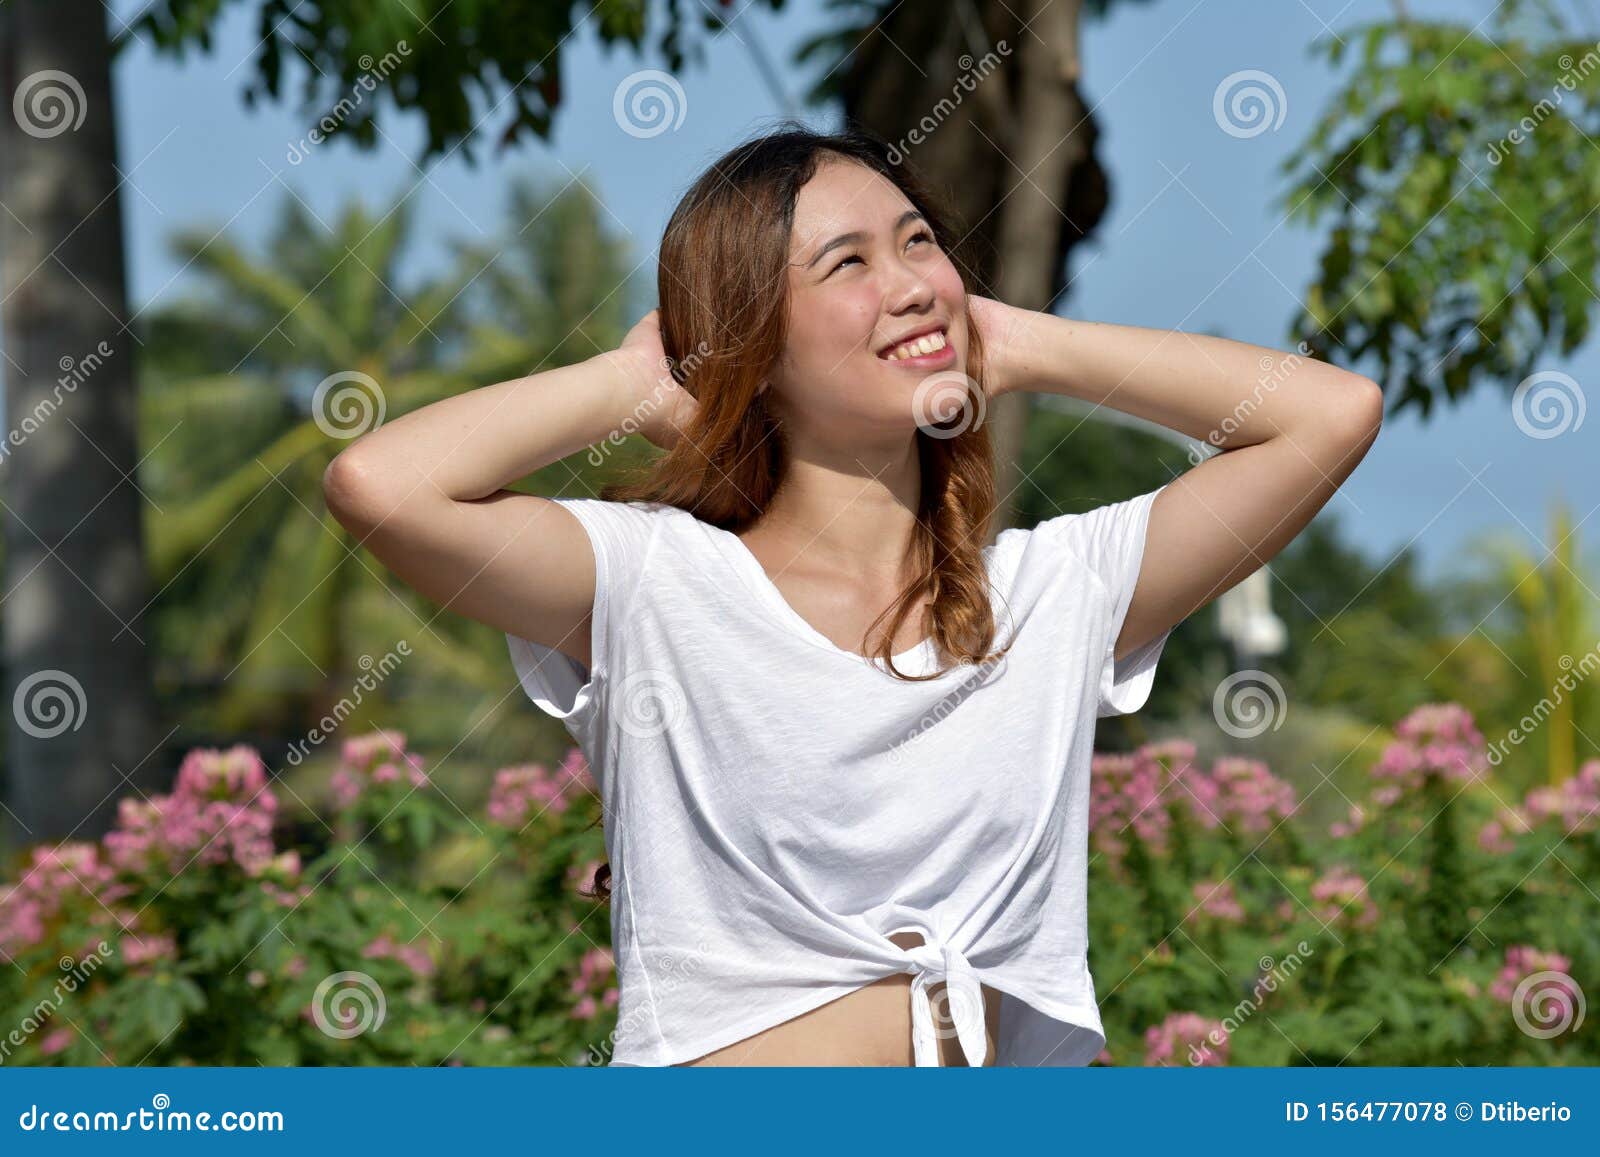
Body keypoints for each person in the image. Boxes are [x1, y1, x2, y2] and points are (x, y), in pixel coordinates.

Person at [322, 123, 1383, 1066]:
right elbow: (382, 485)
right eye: (848, 262)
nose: (912, 281)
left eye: (918, 241)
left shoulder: (1050, 592)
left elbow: (1328, 414)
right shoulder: (656, 582)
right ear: (753, 339)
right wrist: (639, 385)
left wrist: (1019, 343)